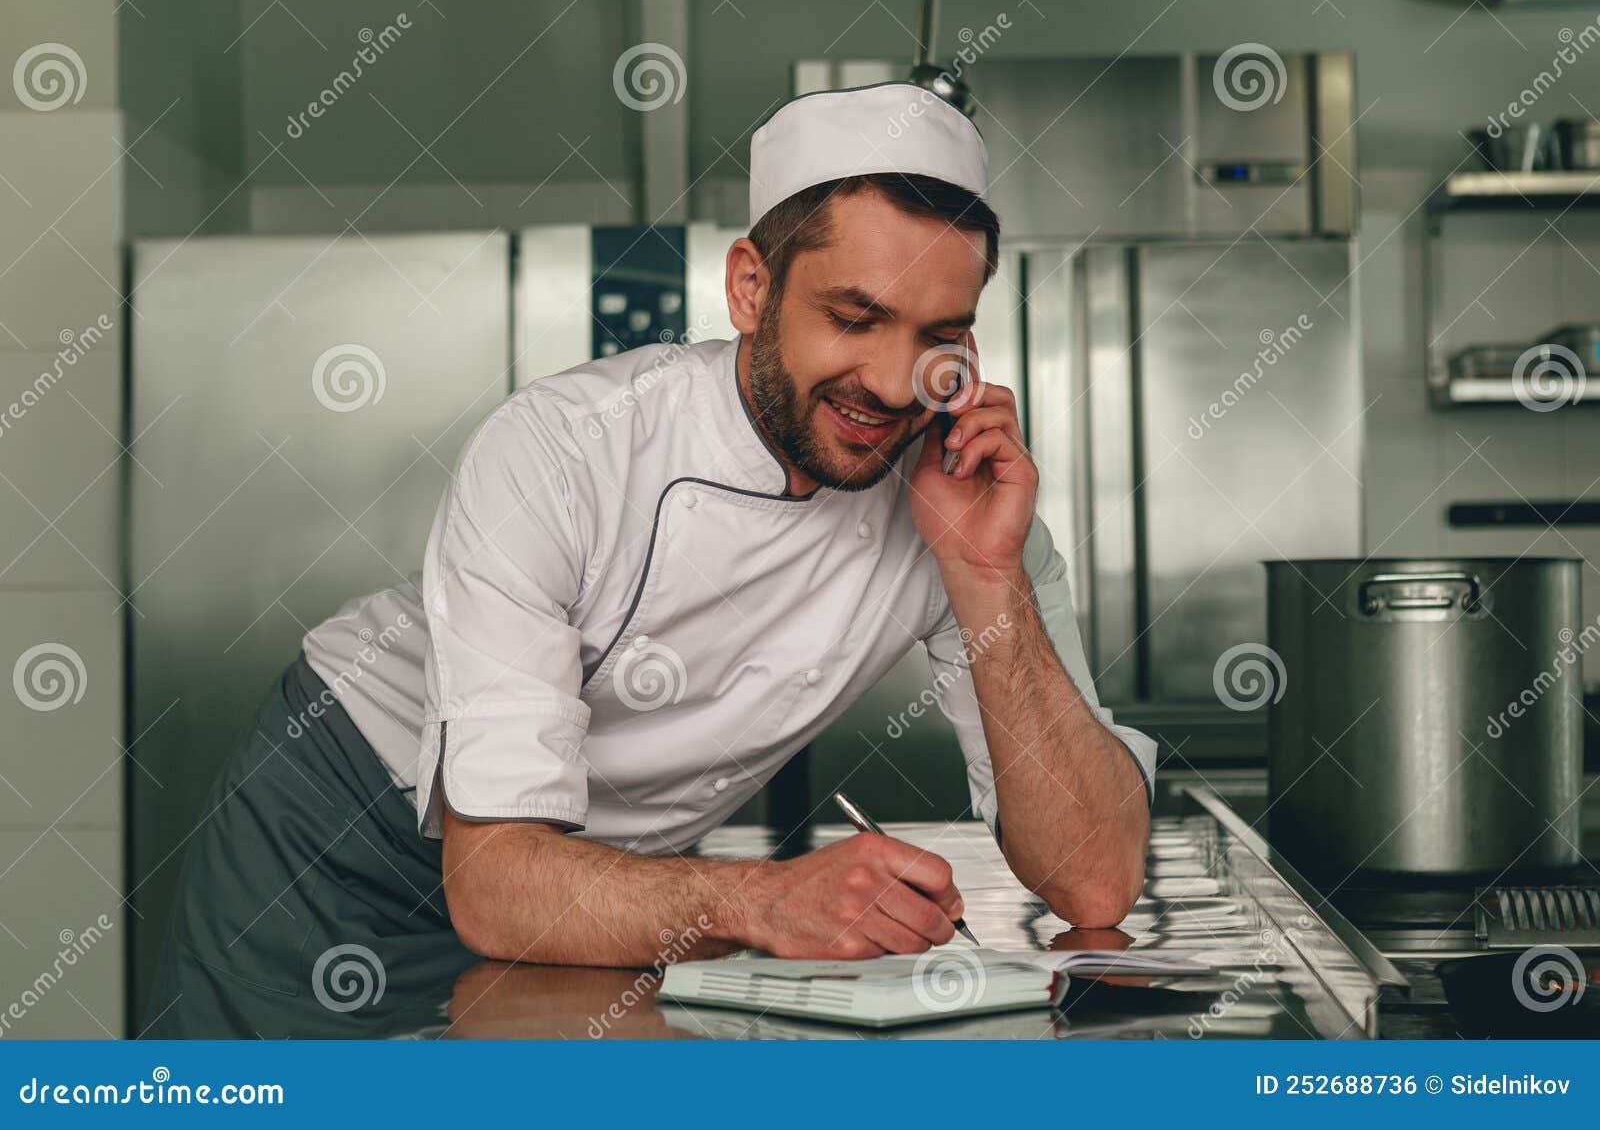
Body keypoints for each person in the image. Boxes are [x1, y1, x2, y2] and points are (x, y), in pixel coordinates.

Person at [145, 82, 1154, 1037]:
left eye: (939, 336)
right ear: (750, 288)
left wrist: (986, 576)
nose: (893, 382)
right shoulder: (565, 447)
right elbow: (494, 878)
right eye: (853, 318)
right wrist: (765, 897)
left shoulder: (970, 508)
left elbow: (1096, 882)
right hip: (339, 824)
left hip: (589, 880)